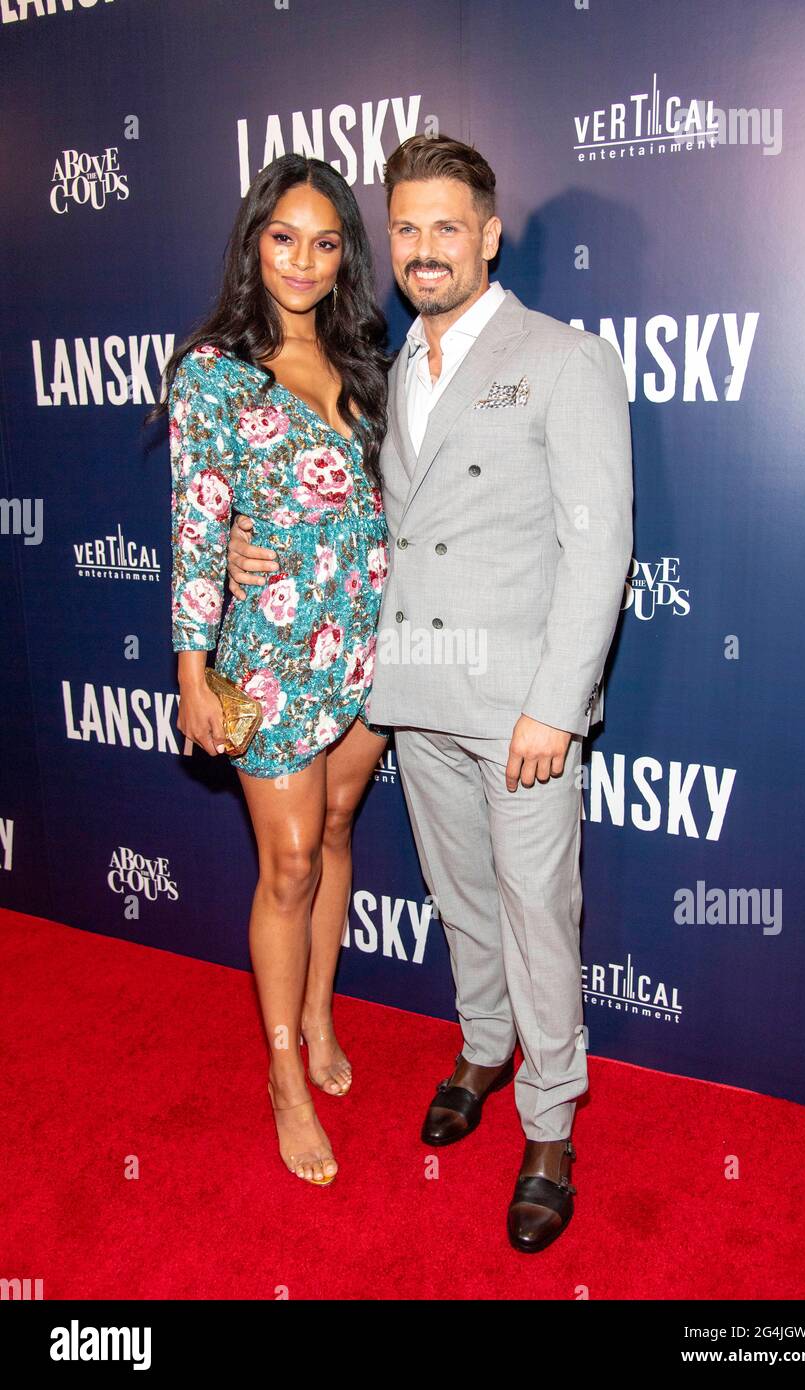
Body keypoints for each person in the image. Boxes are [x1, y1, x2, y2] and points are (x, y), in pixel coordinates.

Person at [225, 135, 633, 1251]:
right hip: (415, 698)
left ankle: (548, 1123)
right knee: (462, 904)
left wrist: (556, 703)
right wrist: (235, 549)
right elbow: (348, 516)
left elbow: (598, 550)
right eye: (403, 227)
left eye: (446, 226)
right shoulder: (390, 365)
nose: (423, 248)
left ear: (489, 235)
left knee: (537, 917)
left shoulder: (564, 358)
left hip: (519, 713)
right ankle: (482, 1047)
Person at [150, 154, 393, 1187]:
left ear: (345, 258)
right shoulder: (212, 370)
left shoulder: (365, 355)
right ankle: (283, 1075)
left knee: (338, 831)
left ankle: (320, 1011)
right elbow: (198, 526)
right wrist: (191, 669)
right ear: (255, 242)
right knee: (286, 866)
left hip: (368, 642)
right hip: (275, 653)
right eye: (283, 237)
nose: (302, 260)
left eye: (325, 241)